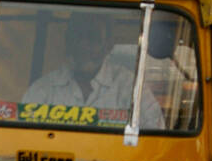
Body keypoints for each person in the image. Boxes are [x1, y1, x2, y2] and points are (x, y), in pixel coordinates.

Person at [24, 13, 165, 128]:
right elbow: (23, 135)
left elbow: (156, 134)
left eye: (93, 37)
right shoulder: (44, 89)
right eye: (78, 37)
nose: (84, 46)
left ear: (108, 45)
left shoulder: (130, 88)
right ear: (68, 42)